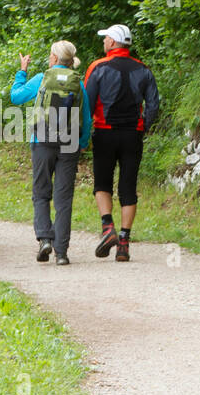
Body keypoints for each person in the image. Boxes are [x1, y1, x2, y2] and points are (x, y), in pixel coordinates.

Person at [10, 40, 93, 265]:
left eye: (50, 55)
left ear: (55, 59)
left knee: (41, 192)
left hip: (42, 141)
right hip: (69, 144)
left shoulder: (42, 79)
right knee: (64, 198)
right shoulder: (79, 83)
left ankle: (45, 239)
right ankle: (62, 253)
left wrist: (22, 71)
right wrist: (83, 142)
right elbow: (86, 118)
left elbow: (15, 97)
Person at [84, 23, 160, 262]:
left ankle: (108, 228)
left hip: (105, 133)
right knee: (128, 188)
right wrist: (144, 126)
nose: (103, 41)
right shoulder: (144, 69)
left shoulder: (97, 67)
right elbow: (154, 105)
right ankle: (124, 243)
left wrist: (84, 134)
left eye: (105, 38)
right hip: (132, 135)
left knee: (102, 184)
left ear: (113, 42)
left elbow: (87, 103)